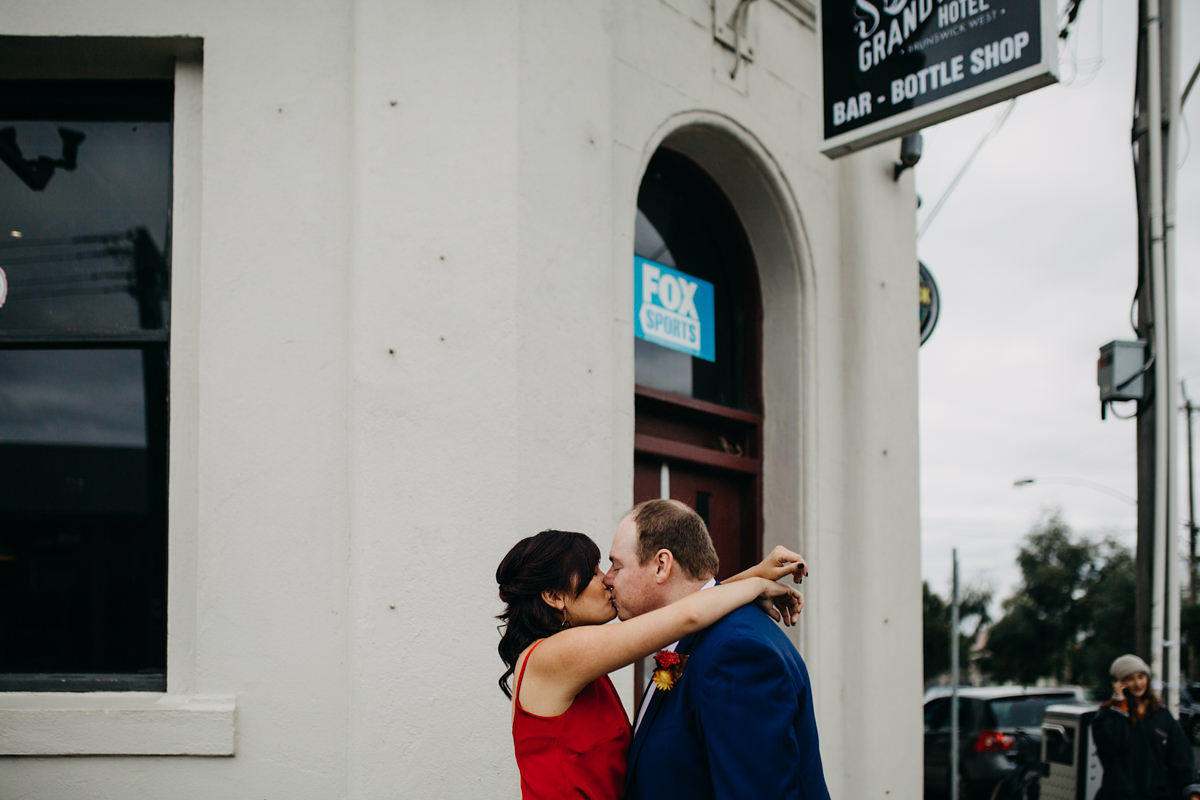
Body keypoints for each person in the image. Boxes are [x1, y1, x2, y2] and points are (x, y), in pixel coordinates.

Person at [496, 527, 807, 800]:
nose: (606, 580)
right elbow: (688, 617)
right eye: (592, 573)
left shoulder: (573, 658)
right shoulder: (554, 657)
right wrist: (757, 585)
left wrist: (753, 575)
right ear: (554, 596)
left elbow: (681, 611)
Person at [605, 498, 830, 800]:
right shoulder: (699, 637)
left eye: (616, 565)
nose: (607, 579)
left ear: (662, 565)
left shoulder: (736, 654)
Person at [1092, 653, 1200, 800]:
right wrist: (1120, 704)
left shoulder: (1161, 715)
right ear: (1118, 683)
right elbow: (1115, 743)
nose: (1138, 684)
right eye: (1130, 678)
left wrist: (1191, 789)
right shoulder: (1106, 716)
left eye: (1141, 677)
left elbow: (1181, 756)